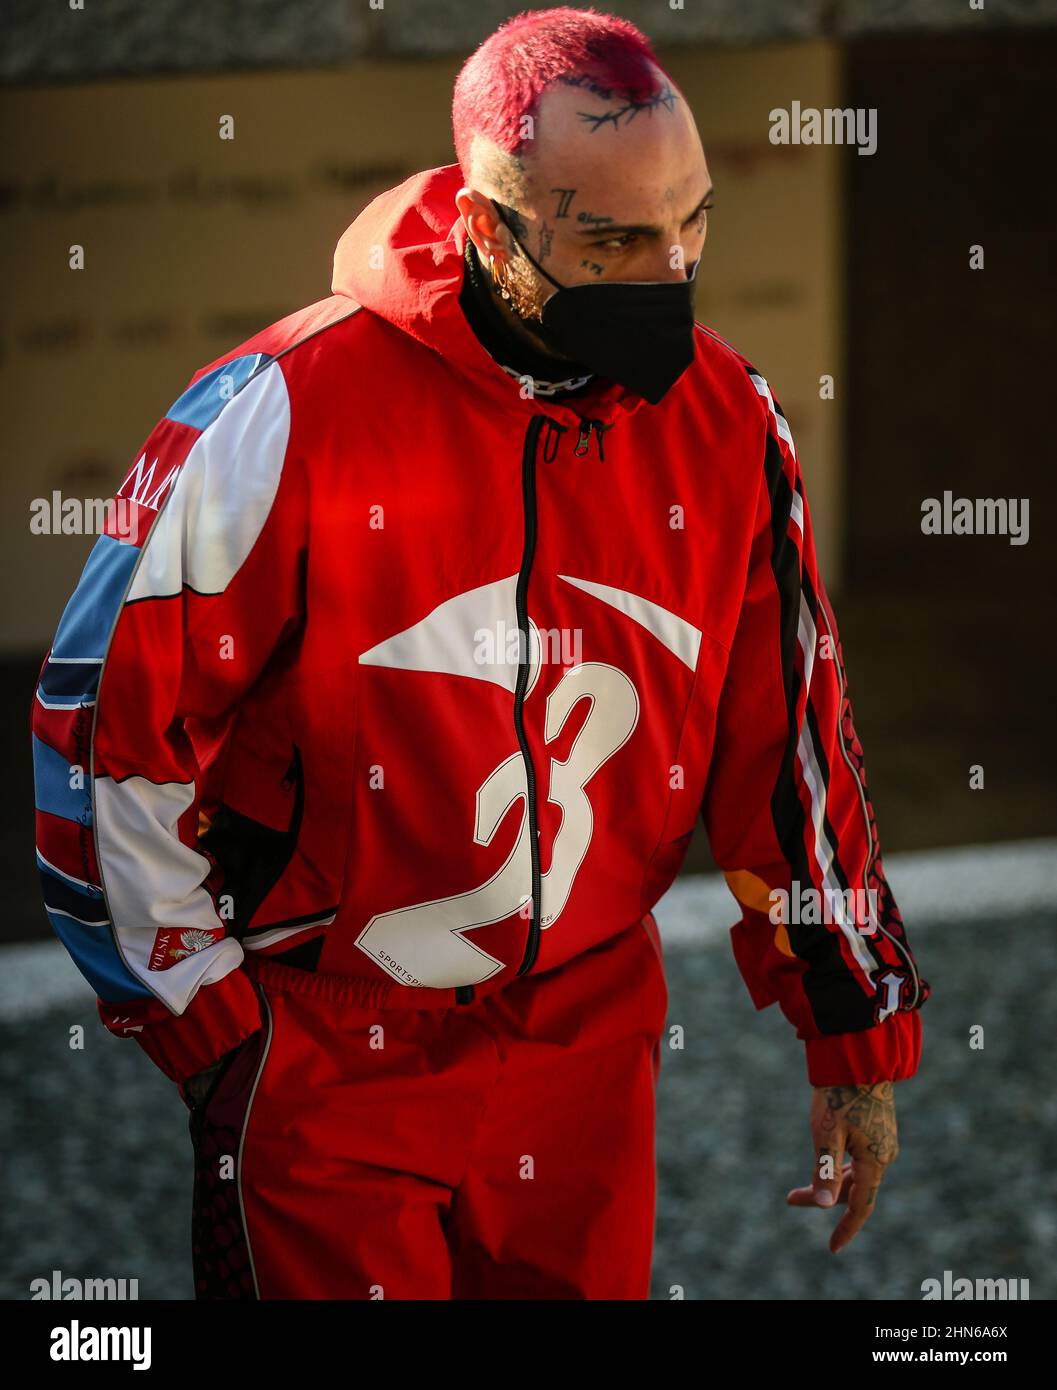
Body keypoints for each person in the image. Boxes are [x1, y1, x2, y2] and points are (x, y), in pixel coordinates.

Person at [30, 6, 929, 1300]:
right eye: (615, 238)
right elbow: (100, 727)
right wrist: (216, 1031)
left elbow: (788, 740)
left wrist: (852, 1026)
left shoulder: (728, 420)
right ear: (485, 223)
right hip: (328, 1049)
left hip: (588, 1049)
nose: (670, 269)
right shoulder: (275, 412)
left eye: (692, 222)